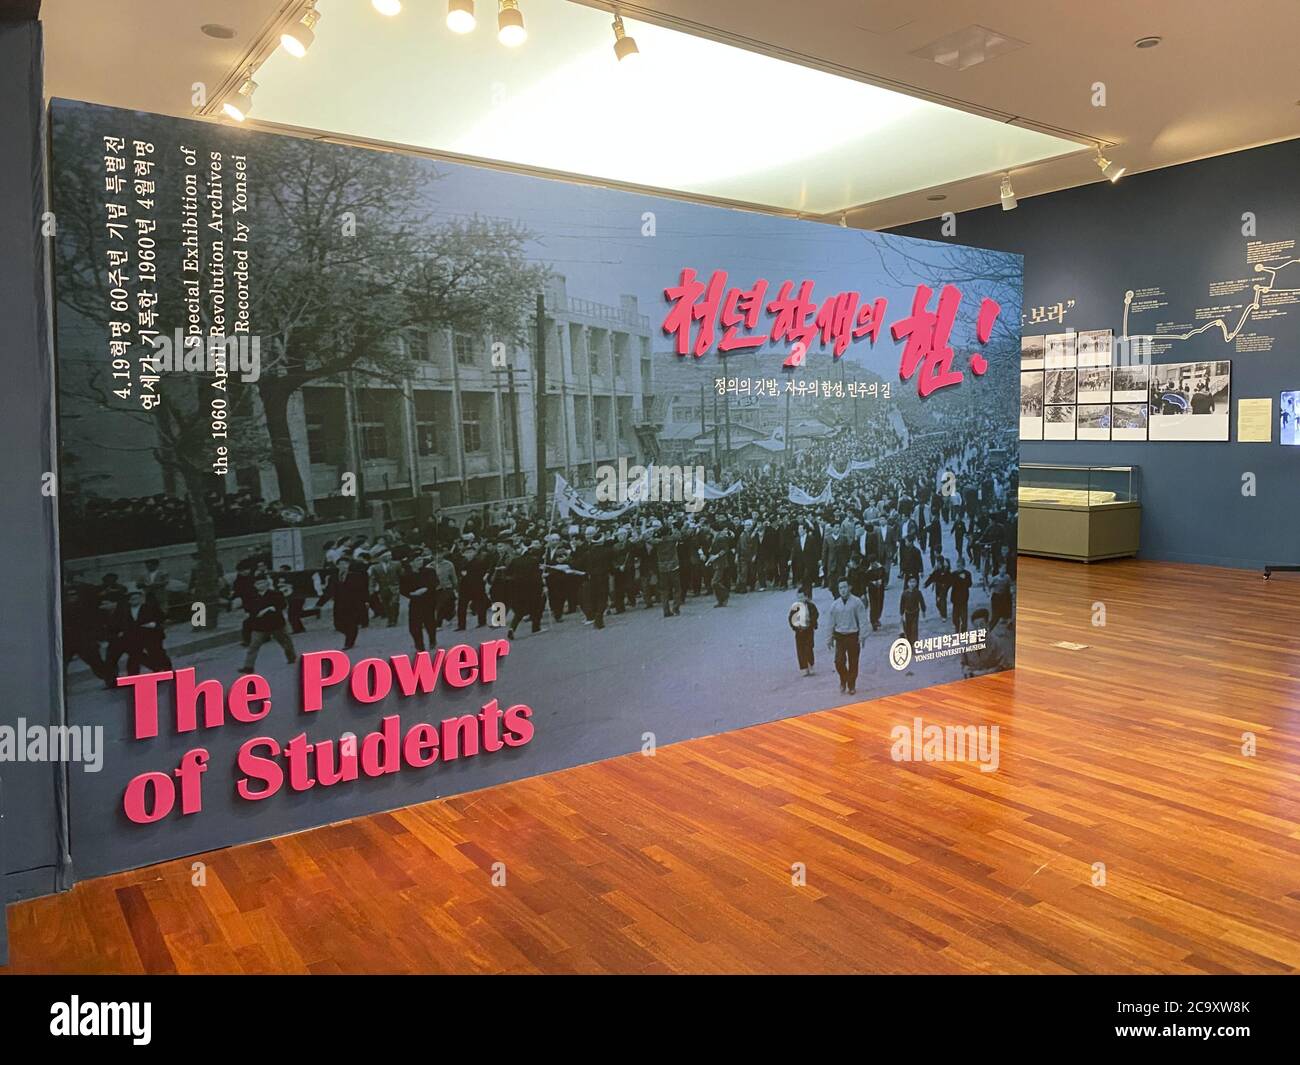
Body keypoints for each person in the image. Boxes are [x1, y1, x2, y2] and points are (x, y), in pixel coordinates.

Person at [238, 574, 297, 673]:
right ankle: (248, 667)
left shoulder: (276, 594)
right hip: (259, 625)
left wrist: (269, 609)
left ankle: (291, 657)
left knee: (285, 642)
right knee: (253, 646)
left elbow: (282, 605)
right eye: (257, 583)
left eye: (262, 583)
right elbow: (249, 609)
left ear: (267, 583)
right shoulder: (252, 597)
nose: (260, 585)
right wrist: (258, 612)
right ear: (255, 585)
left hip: (276, 624)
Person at [318, 554, 369, 650]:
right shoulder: (333, 577)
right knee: (339, 625)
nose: (343, 566)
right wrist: (320, 603)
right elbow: (329, 591)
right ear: (337, 566)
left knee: (352, 623)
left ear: (349, 565)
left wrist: (366, 600)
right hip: (339, 604)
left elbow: (362, 589)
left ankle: (349, 642)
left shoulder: (355, 576)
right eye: (341, 564)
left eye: (345, 564)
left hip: (353, 603)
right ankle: (350, 634)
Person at [827, 578, 868, 695]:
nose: (843, 590)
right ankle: (843, 679)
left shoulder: (857, 602)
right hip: (840, 636)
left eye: (845, 587)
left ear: (849, 587)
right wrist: (829, 638)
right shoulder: (835, 605)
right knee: (838, 662)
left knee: (853, 662)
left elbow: (863, 620)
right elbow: (830, 623)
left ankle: (851, 685)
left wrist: (862, 636)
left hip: (853, 636)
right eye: (840, 588)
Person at [400, 552, 440, 652]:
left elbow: (435, 583)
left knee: (430, 623)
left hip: (428, 601)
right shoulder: (406, 575)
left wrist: (426, 589)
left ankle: (432, 640)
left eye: (421, 559)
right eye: (417, 560)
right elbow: (403, 590)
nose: (420, 562)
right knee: (414, 626)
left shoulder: (429, 571)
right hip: (415, 602)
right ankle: (420, 646)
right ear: (411, 563)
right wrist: (411, 594)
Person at [787, 587, 819, 676]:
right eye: (799, 598)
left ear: (806, 597)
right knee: (801, 649)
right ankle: (804, 667)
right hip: (799, 631)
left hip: (809, 630)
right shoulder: (795, 607)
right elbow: (790, 618)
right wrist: (795, 627)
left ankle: (811, 664)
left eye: (802, 597)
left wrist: (812, 623)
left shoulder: (811, 606)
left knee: (809, 647)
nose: (800, 600)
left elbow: (816, 614)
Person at [899, 574, 926, 647]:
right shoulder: (904, 593)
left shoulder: (918, 592)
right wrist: (901, 613)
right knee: (908, 628)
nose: (912, 584)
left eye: (914, 582)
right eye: (910, 582)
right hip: (907, 613)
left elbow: (922, 602)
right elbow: (902, 604)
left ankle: (914, 643)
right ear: (907, 583)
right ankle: (909, 642)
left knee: (914, 628)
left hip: (915, 612)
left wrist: (923, 611)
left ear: (916, 583)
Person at [949, 558, 973, 634]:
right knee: (955, 617)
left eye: (960, 566)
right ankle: (957, 627)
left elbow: (969, 584)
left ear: (963, 566)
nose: (958, 568)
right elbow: (951, 583)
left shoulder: (967, 574)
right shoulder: (953, 574)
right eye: (957, 566)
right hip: (955, 599)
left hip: (963, 598)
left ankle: (963, 631)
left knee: (964, 617)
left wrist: (963, 579)